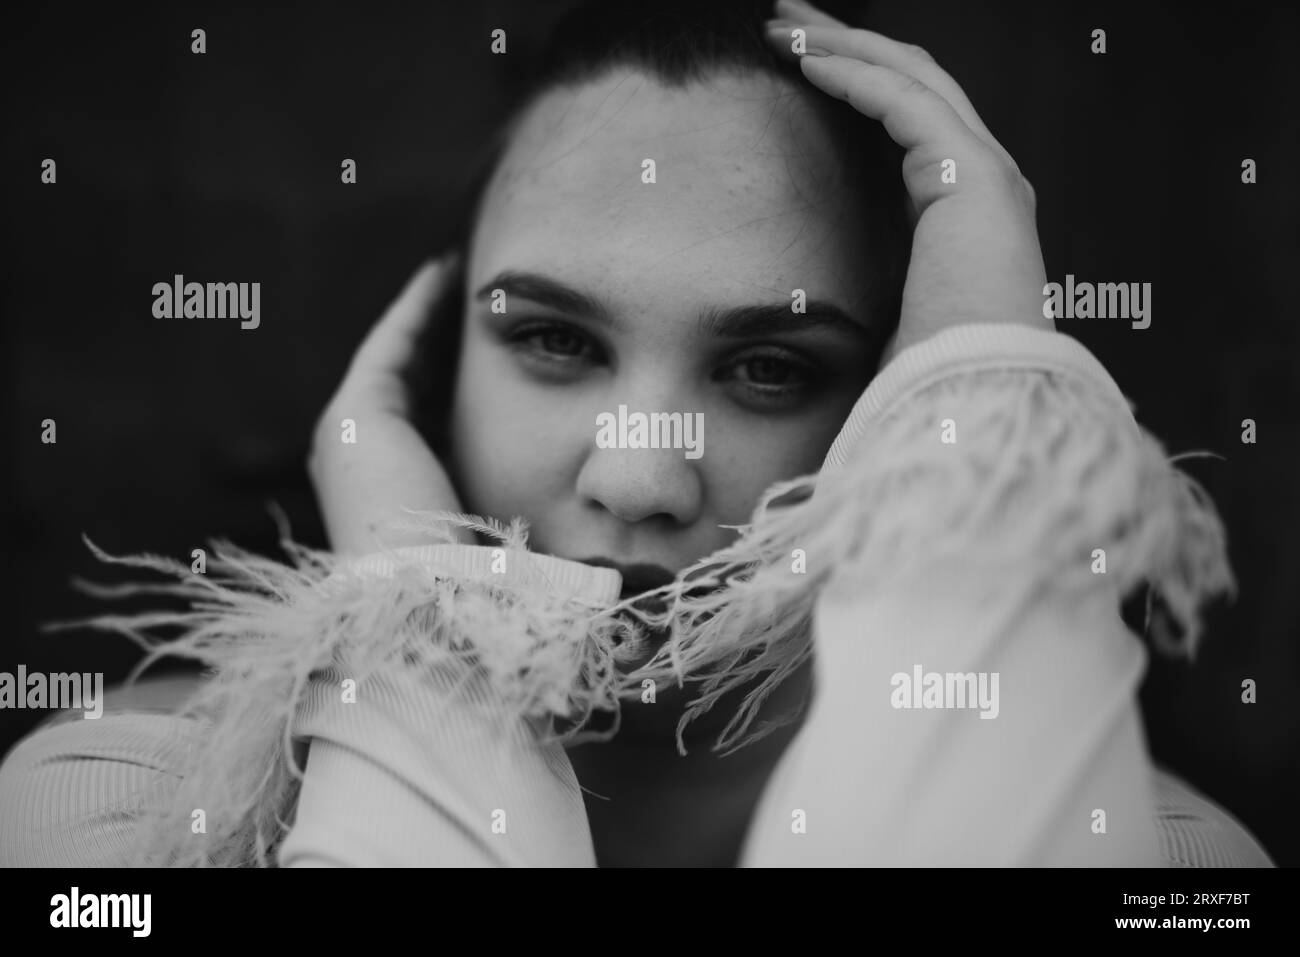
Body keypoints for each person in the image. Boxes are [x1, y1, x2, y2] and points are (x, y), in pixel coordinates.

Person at [0, 0, 1274, 867]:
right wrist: (424, 611)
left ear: (900, 410)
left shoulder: (1157, 861)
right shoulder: (123, 810)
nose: (640, 476)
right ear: (434, 369)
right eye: (554, 341)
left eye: (772, 366)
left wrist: (982, 428)